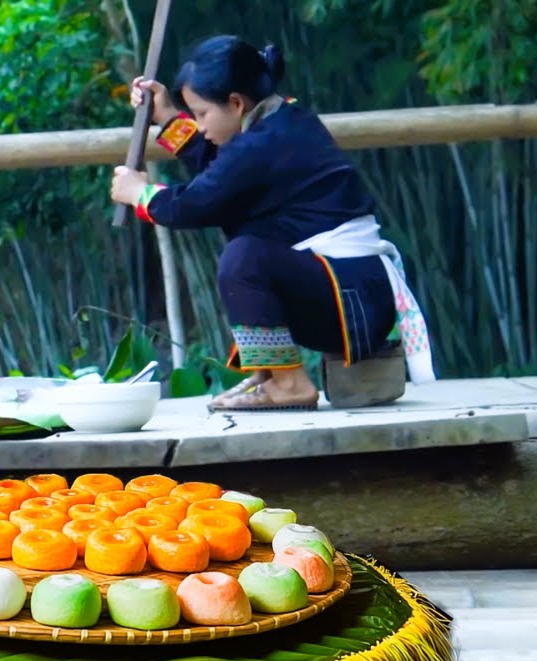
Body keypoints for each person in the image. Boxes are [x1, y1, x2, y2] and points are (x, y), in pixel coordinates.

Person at [110, 35, 434, 411]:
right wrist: (166, 116)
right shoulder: (282, 120)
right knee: (251, 248)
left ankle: (290, 383)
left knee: (245, 258)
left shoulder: (262, 143)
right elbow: (223, 166)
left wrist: (140, 195)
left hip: (350, 297)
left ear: (235, 103)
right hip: (354, 294)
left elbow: (198, 202)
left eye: (200, 114)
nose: (198, 126)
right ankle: (273, 372)